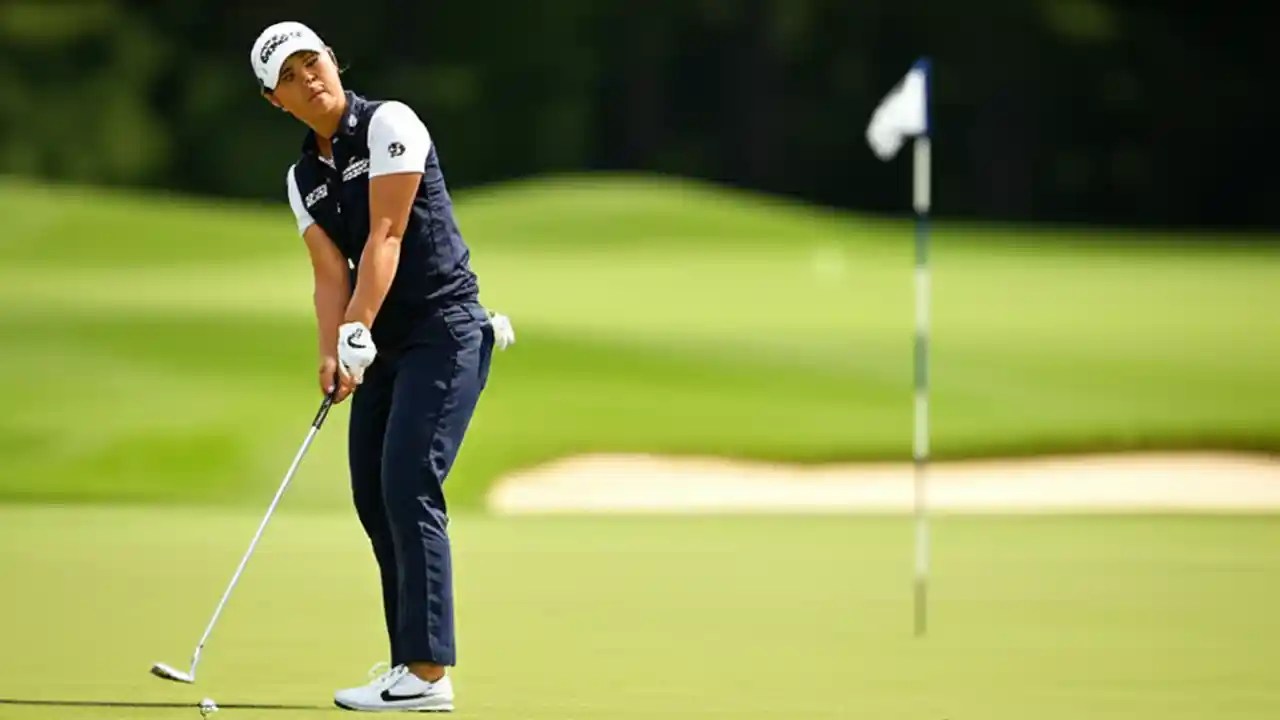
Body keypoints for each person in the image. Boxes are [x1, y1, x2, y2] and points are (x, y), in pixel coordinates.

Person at [249, 20, 515, 712]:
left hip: (444, 331)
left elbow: (386, 235)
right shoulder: (303, 178)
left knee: (407, 483)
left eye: (313, 62)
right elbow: (328, 272)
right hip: (381, 347)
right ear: (276, 101)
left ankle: (427, 676)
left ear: (333, 61)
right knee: (373, 494)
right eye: (289, 77)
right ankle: (407, 666)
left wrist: (359, 327)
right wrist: (331, 350)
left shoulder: (389, 122)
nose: (308, 79)